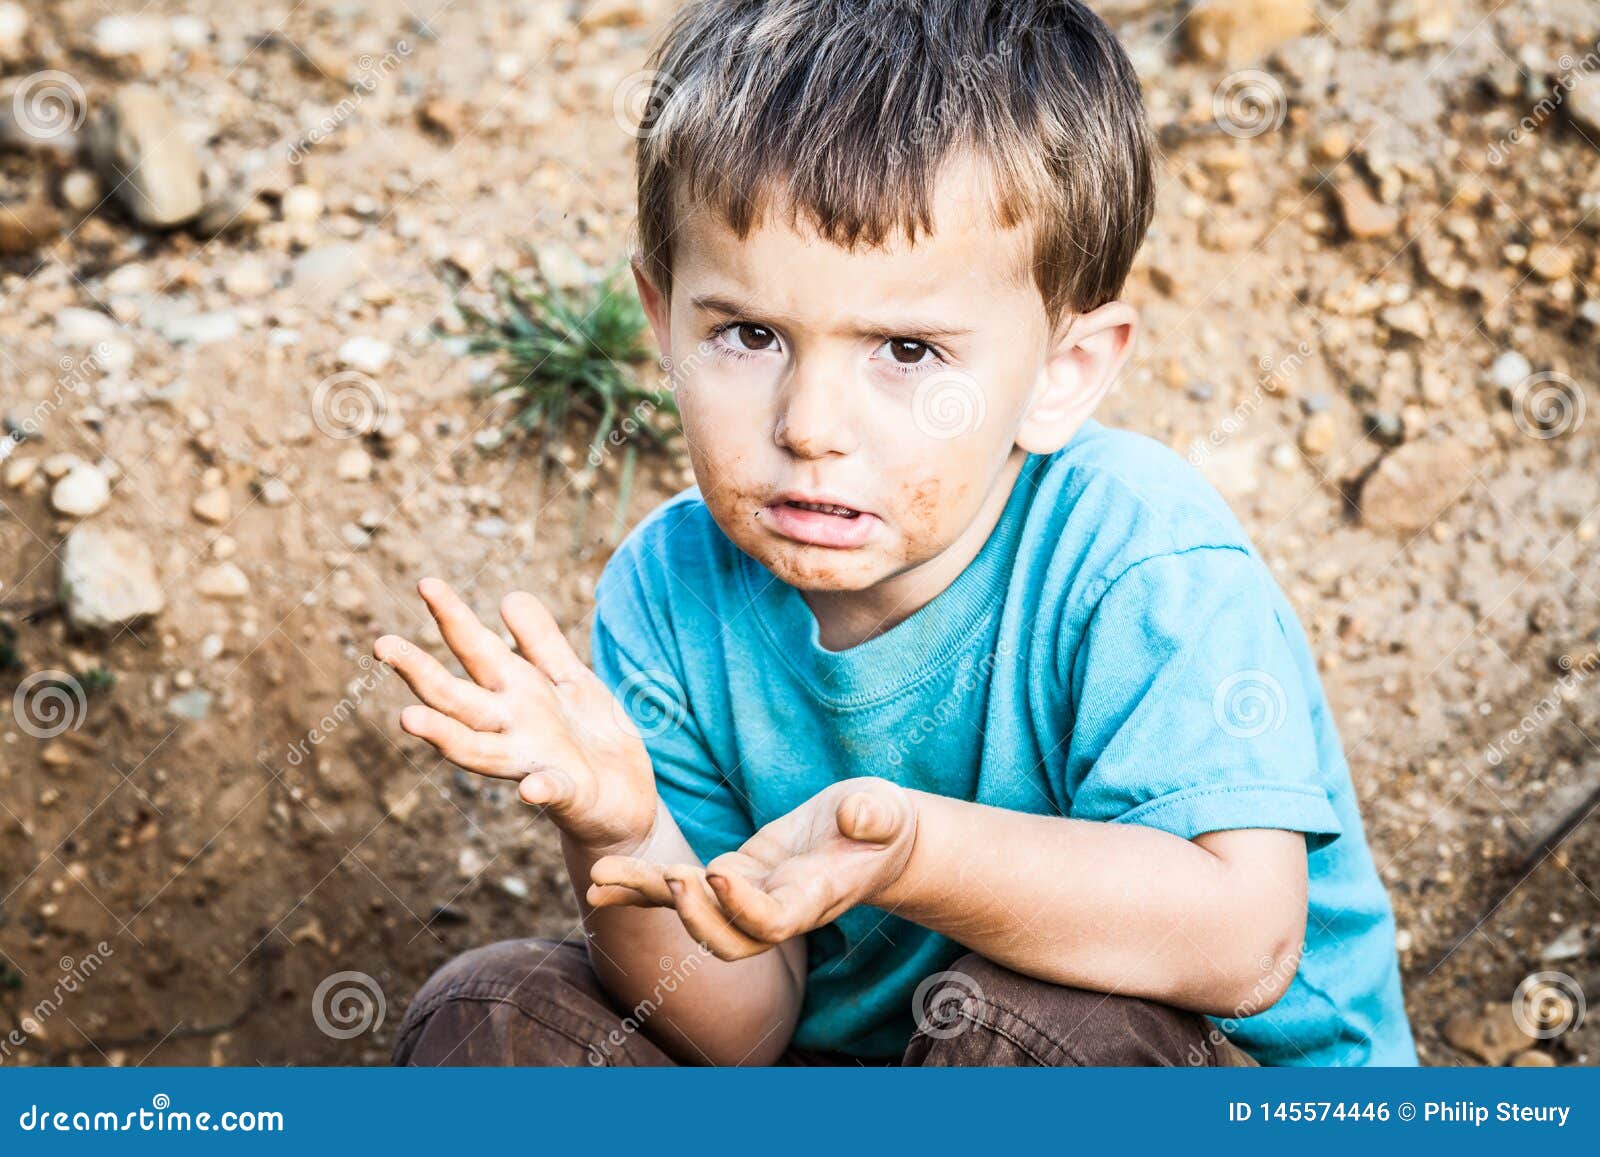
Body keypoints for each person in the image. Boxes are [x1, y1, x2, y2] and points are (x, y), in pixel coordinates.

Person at [376, 0, 1416, 1067]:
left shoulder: (1132, 557)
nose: (809, 426)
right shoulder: (668, 589)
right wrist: (624, 834)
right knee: (497, 1009)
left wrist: (905, 851)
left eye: (907, 351)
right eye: (746, 334)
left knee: (1029, 1024)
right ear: (662, 321)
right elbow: (744, 1030)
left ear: (1063, 376)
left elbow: (1240, 942)